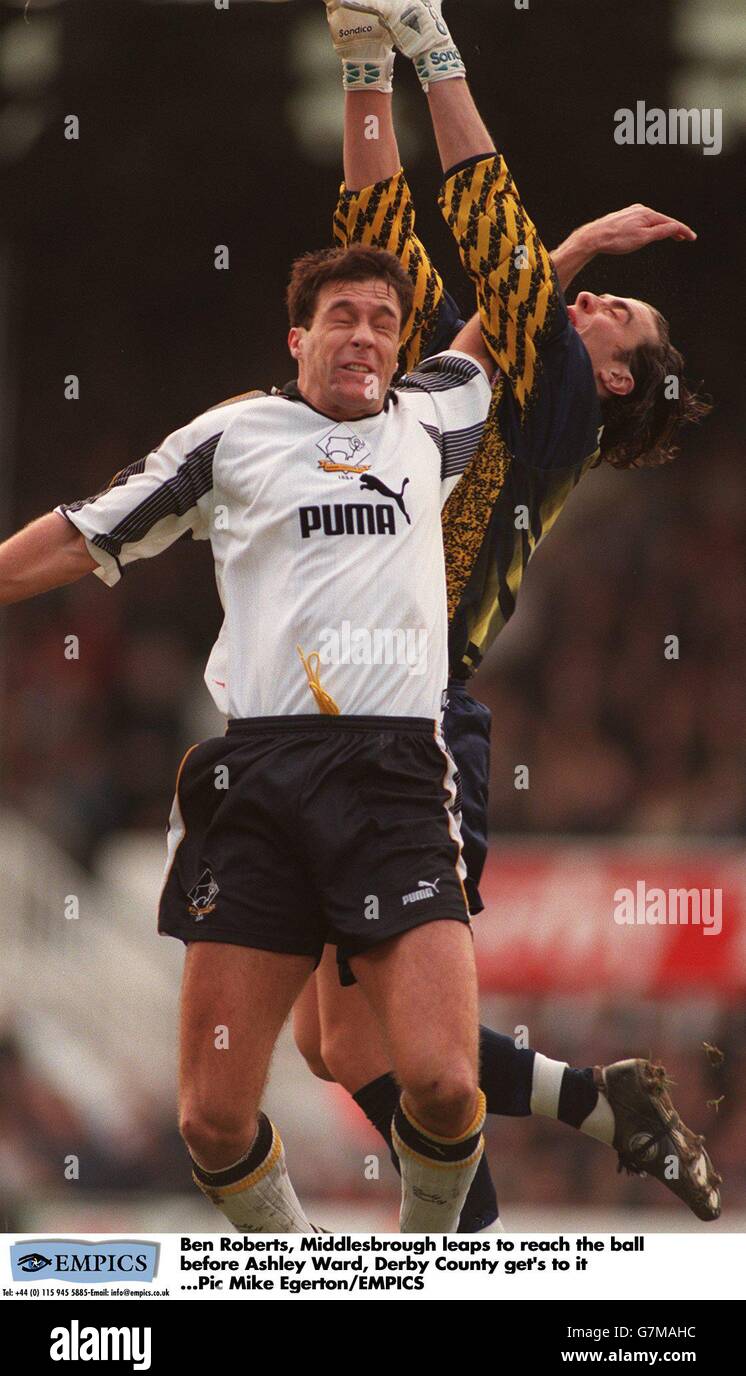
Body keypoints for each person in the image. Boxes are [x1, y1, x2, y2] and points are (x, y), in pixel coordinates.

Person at [0, 35, 556, 1235]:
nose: (363, 333)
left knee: (445, 1081)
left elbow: (513, 294)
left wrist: (410, 67)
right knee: (209, 1118)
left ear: (405, 346)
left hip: (397, 772)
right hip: (254, 778)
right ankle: (293, 1265)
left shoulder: (437, 416)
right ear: (293, 339)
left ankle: (416, 1262)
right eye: (338, 317)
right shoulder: (233, 436)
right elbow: (82, 530)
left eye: (382, 319)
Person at [289, 0, 720, 1229]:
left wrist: (426, 45)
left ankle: (480, 1221)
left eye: (615, 313)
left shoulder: (561, 394)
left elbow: (490, 226)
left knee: (397, 1045)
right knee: (335, 1041)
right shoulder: (491, 371)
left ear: (621, 372)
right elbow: (385, 244)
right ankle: (586, 1111)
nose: (592, 303)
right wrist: (356, 66)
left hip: (408, 719)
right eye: (596, 296)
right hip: (363, 706)